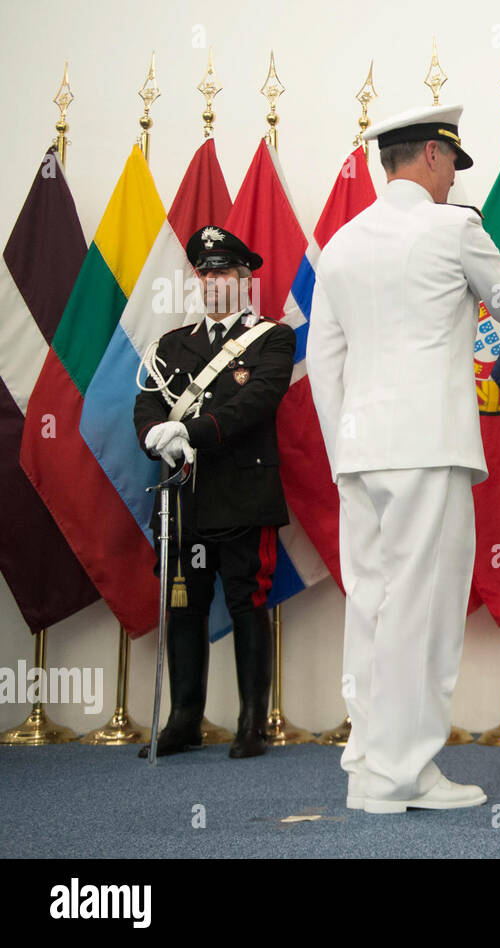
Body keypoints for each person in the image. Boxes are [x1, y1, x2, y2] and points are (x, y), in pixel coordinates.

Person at [306, 104, 500, 814]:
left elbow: (323, 361)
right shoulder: (453, 227)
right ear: (430, 154)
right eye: (453, 161)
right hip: (428, 447)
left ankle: (368, 763)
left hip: (362, 454)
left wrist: (345, 451)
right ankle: (406, 776)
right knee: (422, 611)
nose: (455, 176)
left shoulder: (339, 245)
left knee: (370, 605)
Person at [134, 225, 296, 760]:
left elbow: (255, 406)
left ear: (244, 279)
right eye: (204, 272)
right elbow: (147, 405)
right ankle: (184, 719)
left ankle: (253, 722)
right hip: (184, 498)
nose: (212, 281)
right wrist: (156, 436)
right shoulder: (169, 344)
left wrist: (191, 431)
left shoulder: (273, 338)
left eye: (224, 271)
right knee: (183, 604)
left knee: (247, 602)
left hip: (242, 496)